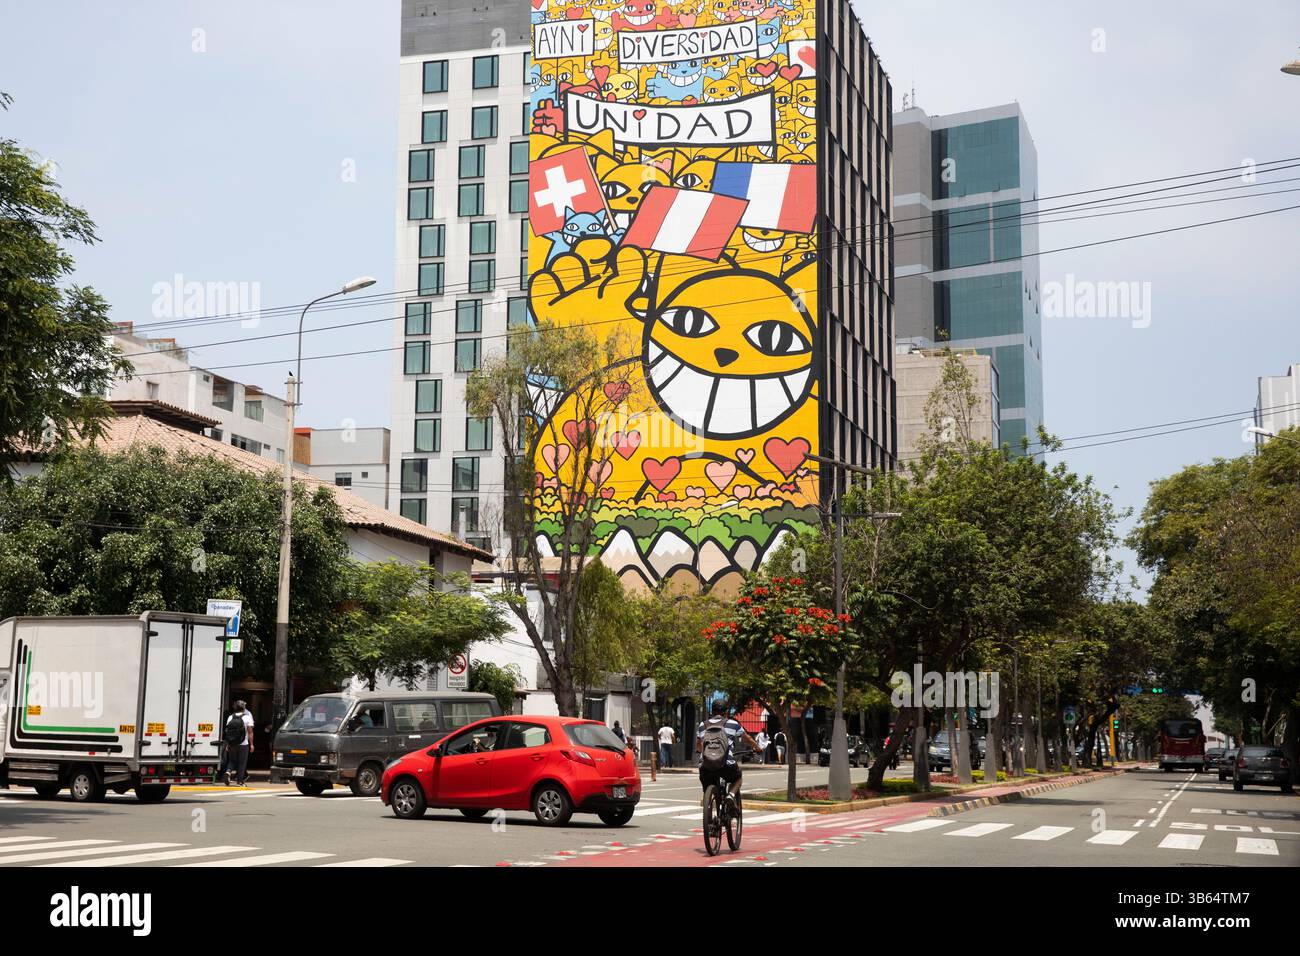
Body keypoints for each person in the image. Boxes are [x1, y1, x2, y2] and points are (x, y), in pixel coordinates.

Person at [696, 700, 761, 805]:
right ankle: (731, 795)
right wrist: (757, 748)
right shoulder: (733, 724)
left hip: (706, 765)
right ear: (726, 712)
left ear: (712, 711)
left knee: (707, 781)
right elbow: (747, 739)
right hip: (726, 764)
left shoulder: (703, 725)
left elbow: (698, 746)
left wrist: (700, 751)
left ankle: (709, 804)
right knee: (737, 778)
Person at [219, 700, 255, 786]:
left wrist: (228, 743)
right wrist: (252, 744)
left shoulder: (230, 717)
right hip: (243, 744)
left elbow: (228, 732)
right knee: (242, 763)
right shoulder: (247, 717)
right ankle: (240, 781)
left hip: (232, 743)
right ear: (243, 708)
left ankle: (228, 772)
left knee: (232, 761)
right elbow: (250, 732)